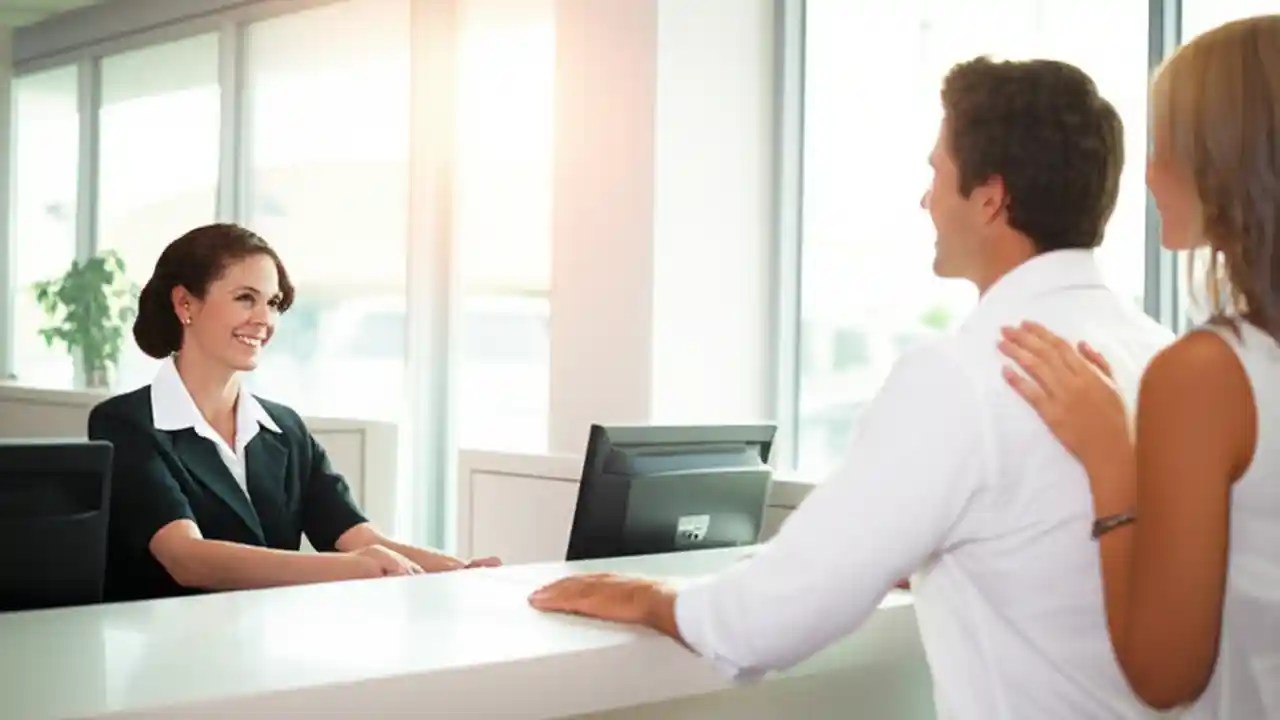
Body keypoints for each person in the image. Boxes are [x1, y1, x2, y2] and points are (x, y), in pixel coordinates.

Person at [529, 57, 1175, 718]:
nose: (925, 200)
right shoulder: (1163, 357)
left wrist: (651, 599)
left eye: (936, 173)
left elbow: (768, 620)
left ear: (990, 198)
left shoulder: (963, 375)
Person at [996, 15, 1280, 717]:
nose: (1148, 175)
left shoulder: (1207, 375)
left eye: (1168, 146)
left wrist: (1111, 458)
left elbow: (1163, 674)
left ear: (1232, 161)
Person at [91, 223, 499, 602]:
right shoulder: (125, 423)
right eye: (245, 298)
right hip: (167, 649)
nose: (264, 319)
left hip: (262, 646)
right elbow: (187, 558)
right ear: (185, 303)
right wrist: (351, 569)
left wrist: (461, 571)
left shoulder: (285, 429)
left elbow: (360, 539)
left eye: (272, 303)